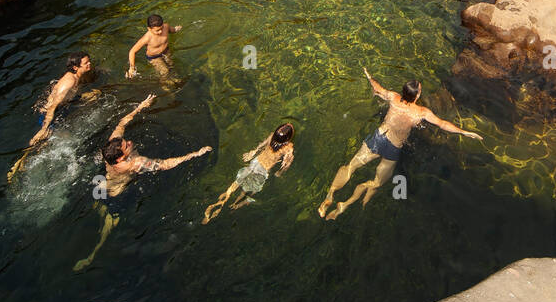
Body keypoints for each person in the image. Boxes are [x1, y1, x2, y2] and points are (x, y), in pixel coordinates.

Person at [318, 70, 481, 221]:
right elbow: (443, 124)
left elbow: (377, 88)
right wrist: (464, 132)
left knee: (350, 167)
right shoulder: (421, 112)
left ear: (404, 92)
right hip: (393, 149)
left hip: (378, 139)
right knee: (376, 183)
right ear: (417, 95)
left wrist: (369, 76)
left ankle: (330, 195)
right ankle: (345, 204)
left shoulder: (394, 98)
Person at [74, 94, 213, 271]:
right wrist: (195, 154)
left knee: (98, 210)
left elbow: (121, 123)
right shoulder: (134, 164)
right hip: (117, 197)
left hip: (99, 186)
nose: (130, 142)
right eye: (127, 146)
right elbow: (164, 165)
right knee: (106, 229)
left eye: (126, 142)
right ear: (119, 159)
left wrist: (142, 106)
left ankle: (96, 219)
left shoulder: (110, 148)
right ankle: (92, 255)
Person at [8, 52, 98, 180]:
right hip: (51, 113)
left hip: (65, 105)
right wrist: (45, 126)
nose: (89, 64)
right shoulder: (69, 82)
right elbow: (52, 106)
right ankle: (20, 160)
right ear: (75, 67)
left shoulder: (77, 76)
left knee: (94, 96)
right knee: (49, 139)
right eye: (86, 63)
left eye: (89, 61)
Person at [202, 123, 296, 223]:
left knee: (237, 182)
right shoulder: (289, 148)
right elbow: (286, 164)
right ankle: (236, 205)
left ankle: (223, 199)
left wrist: (251, 153)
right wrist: (279, 173)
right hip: (262, 171)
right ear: (288, 139)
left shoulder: (271, 136)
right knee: (249, 193)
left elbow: (260, 146)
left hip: (255, 163)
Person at [127, 13, 182, 79]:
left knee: (172, 65)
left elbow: (172, 30)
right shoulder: (147, 38)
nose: (160, 31)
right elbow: (132, 51)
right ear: (149, 29)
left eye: (161, 28)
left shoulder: (166, 27)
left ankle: (175, 79)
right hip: (154, 57)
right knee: (164, 71)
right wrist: (132, 67)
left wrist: (176, 29)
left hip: (166, 51)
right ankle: (165, 84)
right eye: (157, 30)